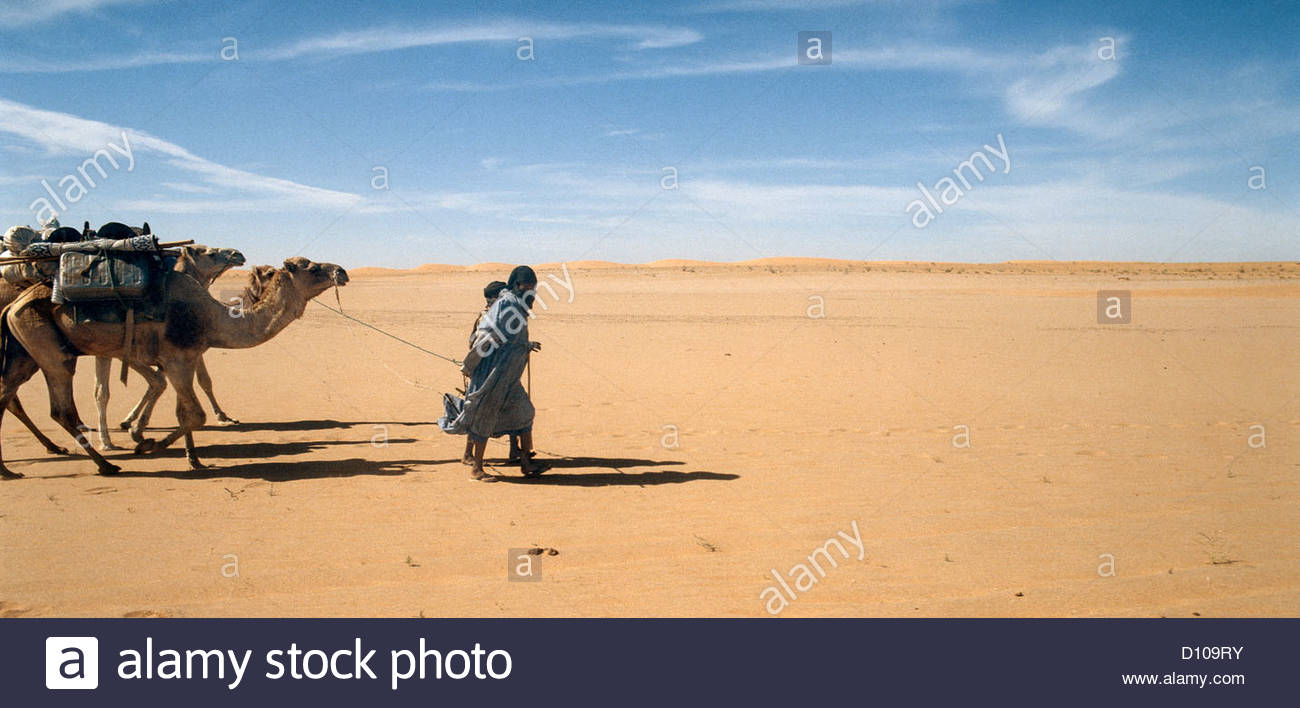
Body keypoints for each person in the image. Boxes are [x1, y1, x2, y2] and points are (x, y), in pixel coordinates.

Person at [439, 266, 548, 481]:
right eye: (527, 287)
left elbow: (512, 337)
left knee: (524, 412)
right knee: (484, 418)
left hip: (510, 377)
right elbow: (486, 334)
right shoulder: (505, 303)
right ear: (516, 286)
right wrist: (471, 365)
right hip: (493, 374)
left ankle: (526, 462)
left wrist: (526, 345)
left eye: (533, 288)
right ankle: (476, 468)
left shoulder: (518, 306)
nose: (531, 292)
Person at [461, 280, 522, 465]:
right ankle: (468, 454)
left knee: (514, 407)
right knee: (480, 411)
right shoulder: (487, 317)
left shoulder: (504, 314)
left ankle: (514, 449)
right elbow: (479, 344)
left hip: (504, 368)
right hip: (486, 371)